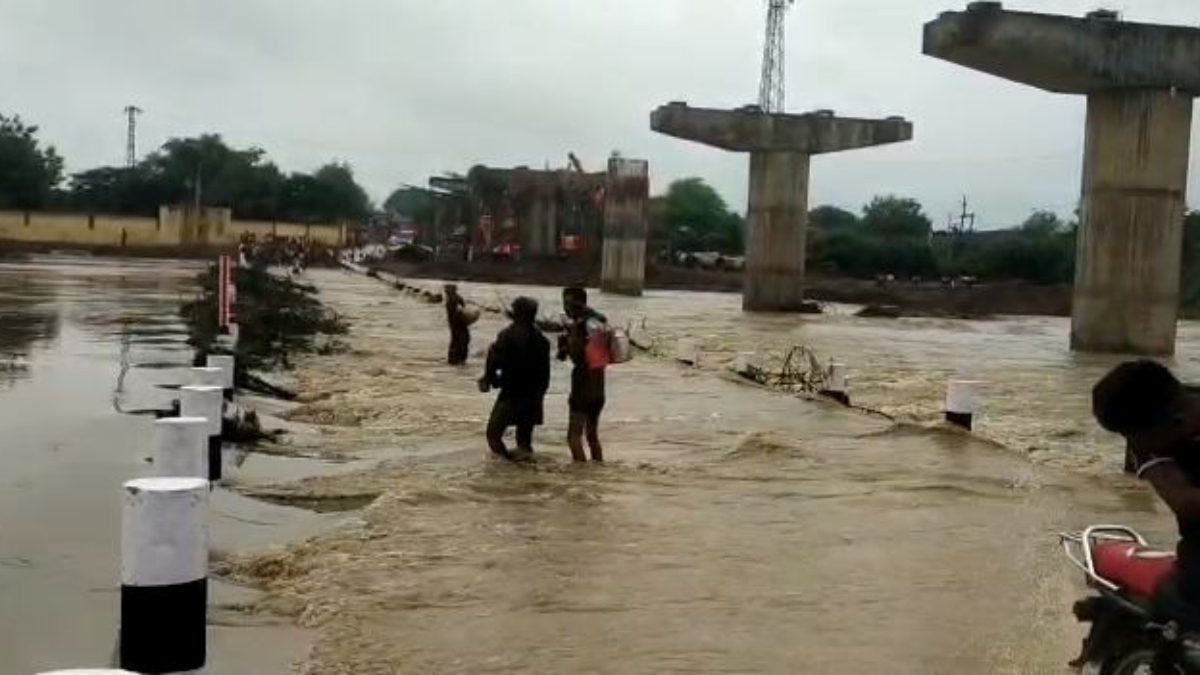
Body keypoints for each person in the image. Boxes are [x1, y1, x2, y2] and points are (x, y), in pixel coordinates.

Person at [1093, 360, 1200, 626]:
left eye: (1130, 435)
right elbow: (1187, 504)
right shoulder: (1148, 451)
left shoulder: (1155, 432)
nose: (1131, 444)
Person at [479, 297, 550, 461]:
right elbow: (545, 375)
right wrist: (539, 396)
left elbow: (494, 357)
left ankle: (509, 466)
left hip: (511, 394)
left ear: (517, 313)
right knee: (524, 442)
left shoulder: (507, 334)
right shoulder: (542, 339)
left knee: (493, 435)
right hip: (533, 396)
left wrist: (488, 378)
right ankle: (523, 474)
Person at [557, 286, 607, 462]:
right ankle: (596, 473)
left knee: (573, 437)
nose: (564, 307)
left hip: (582, 387)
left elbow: (576, 356)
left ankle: (579, 479)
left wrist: (567, 343)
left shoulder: (579, 326)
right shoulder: (597, 325)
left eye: (566, 303)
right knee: (592, 436)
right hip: (599, 387)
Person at [444, 284, 471, 365]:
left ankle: (455, 360)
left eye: (447, 290)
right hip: (458, 324)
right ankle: (459, 360)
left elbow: (460, 310)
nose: (446, 292)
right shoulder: (455, 298)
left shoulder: (452, 299)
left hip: (457, 324)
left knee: (458, 342)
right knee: (461, 341)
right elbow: (463, 309)